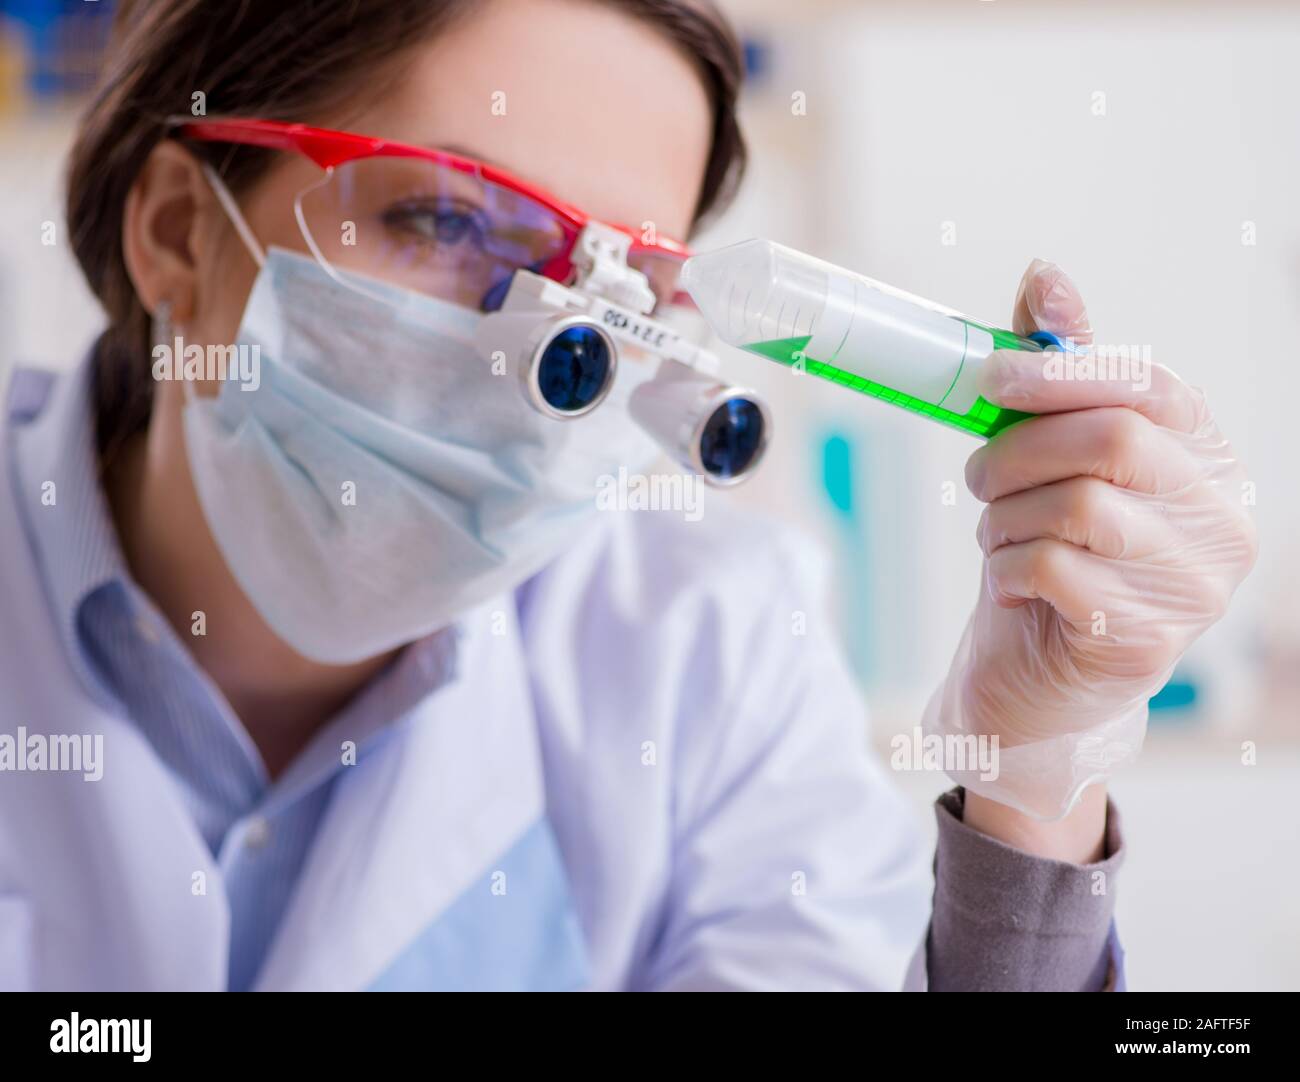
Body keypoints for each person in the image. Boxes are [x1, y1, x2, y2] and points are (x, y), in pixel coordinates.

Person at [0, 0, 1256, 991]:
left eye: (617, 287)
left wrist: (1030, 786)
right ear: (175, 230)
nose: (533, 351)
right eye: (443, 218)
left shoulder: (706, 643)